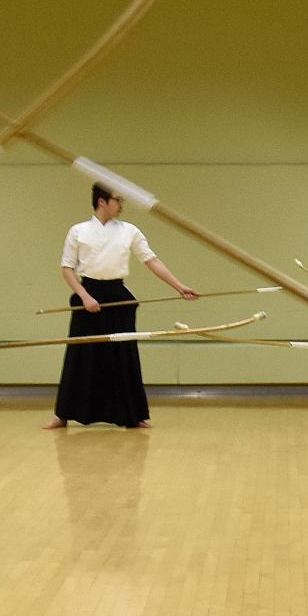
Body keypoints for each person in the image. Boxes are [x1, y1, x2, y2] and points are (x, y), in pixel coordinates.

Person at [50, 181, 195, 430]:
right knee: (80, 354)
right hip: (88, 296)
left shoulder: (129, 230)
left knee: (123, 355)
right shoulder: (78, 231)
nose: (122, 205)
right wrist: (85, 296)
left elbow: (151, 260)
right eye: (118, 200)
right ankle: (62, 414)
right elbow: (67, 268)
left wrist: (178, 286)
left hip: (118, 295)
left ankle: (134, 414)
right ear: (102, 201)